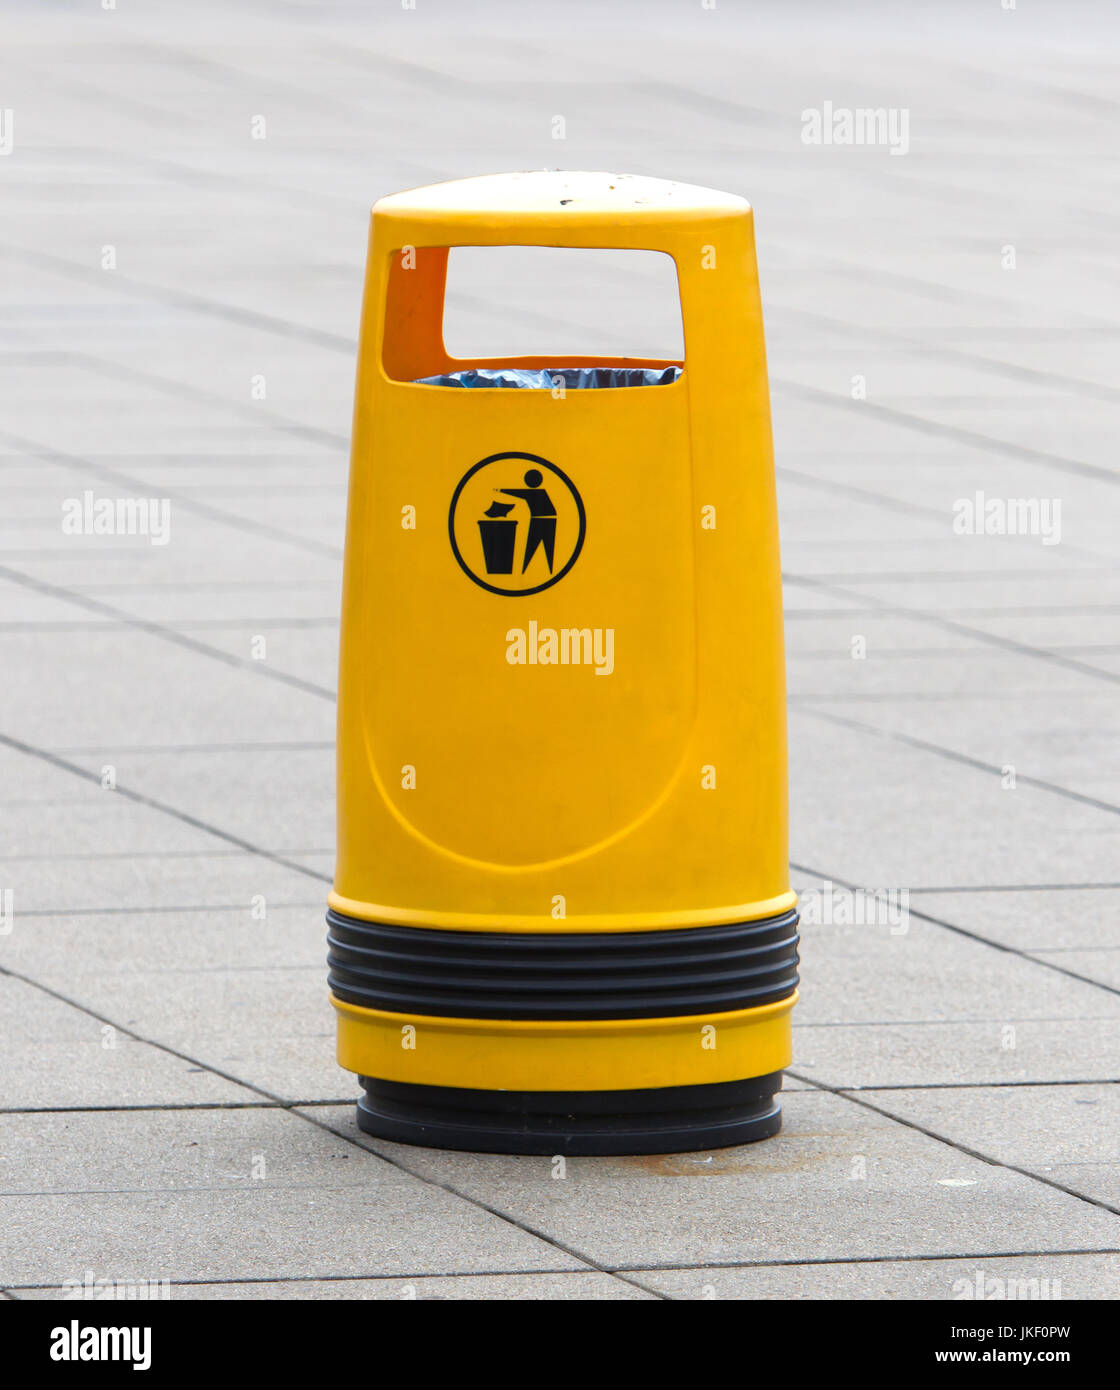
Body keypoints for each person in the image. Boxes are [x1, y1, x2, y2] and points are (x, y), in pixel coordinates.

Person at [498, 469, 557, 573]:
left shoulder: (536, 492)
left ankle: (526, 570)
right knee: (542, 547)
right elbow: (521, 493)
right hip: (548, 519)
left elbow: (520, 493)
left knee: (533, 547)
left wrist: (500, 490)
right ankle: (532, 570)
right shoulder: (540, 492)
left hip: (541, 521)